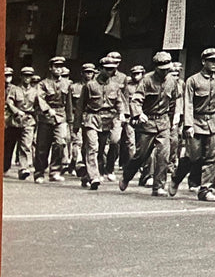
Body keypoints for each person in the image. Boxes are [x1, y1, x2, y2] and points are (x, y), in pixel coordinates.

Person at [167, 48, 215, 201]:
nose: (214, 64)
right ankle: (176, 178)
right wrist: (188, 125)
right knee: (193, 157)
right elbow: (188, 103)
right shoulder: (193, 80)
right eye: (211, 60)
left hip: (213, 123)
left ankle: (206, 190)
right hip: (196, 122)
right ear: (203, 62)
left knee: (212, 157)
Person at [118, 52, 180, 195]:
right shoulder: (146, 80)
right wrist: (139, 113)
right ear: (156, 67)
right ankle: (127, 176)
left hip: (163, 122)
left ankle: (158, 187)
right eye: (162, 68)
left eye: (167, 68)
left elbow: (174, 101)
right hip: (147, 123)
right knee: (141, 156)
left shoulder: (172, 81)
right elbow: (136, 99)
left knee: (164, 155)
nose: (165, 71)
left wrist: (175, 119)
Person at [77, 57, 128, 190]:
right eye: (108, 69)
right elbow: (80, 105)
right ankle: (94, 177)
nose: (110, 72)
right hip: (92, 118)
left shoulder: (115, 86)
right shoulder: (90, 85)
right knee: (92, 147)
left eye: (113, 69)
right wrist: (76, 125)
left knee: (101, 150)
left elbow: (119, 102)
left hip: (108, 120)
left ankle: (86, 176)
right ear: (100, 69)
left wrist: (121, 113)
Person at [34, 57, 71, 181]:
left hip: (61, 117)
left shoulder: (67, 83)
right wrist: (47, 109)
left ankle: (55, 171)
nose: (58, 69)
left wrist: (70, 120)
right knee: (42, 147)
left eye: (61, 66)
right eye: (56, 66)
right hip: (46, 117)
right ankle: (39, 173)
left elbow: (69, 103)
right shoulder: (43, 84)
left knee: (60, 143)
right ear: (51, 68)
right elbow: (40, 99)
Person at [5, 66, 38, 179]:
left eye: (29, 76)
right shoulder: (14, 89)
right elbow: (9, 103)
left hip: (28, 120)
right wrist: (17, 111)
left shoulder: (35, 91)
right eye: (25, 76)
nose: (27, 78)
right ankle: (4, 166)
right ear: (21, 77)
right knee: (9, 145)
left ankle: (23, 168)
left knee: (26, 145)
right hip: (15, 121)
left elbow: (39, 105)